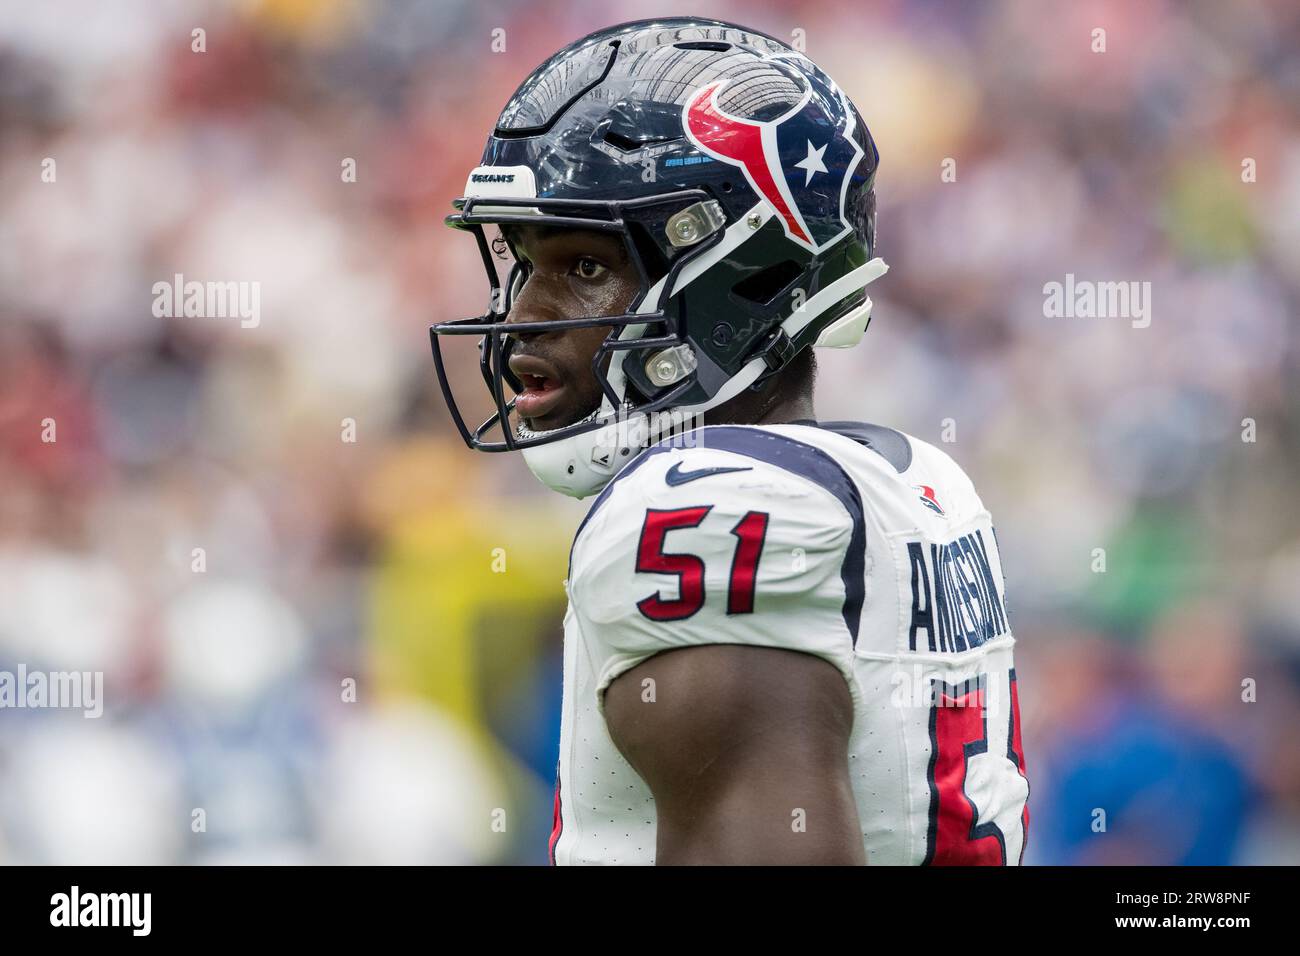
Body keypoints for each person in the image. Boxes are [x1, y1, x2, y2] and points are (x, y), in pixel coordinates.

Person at [430, 17, 1029, 865]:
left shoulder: (707, 510)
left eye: (587, 267)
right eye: (526, 263)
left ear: (751, 276)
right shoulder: (915, 483)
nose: (525, 315)